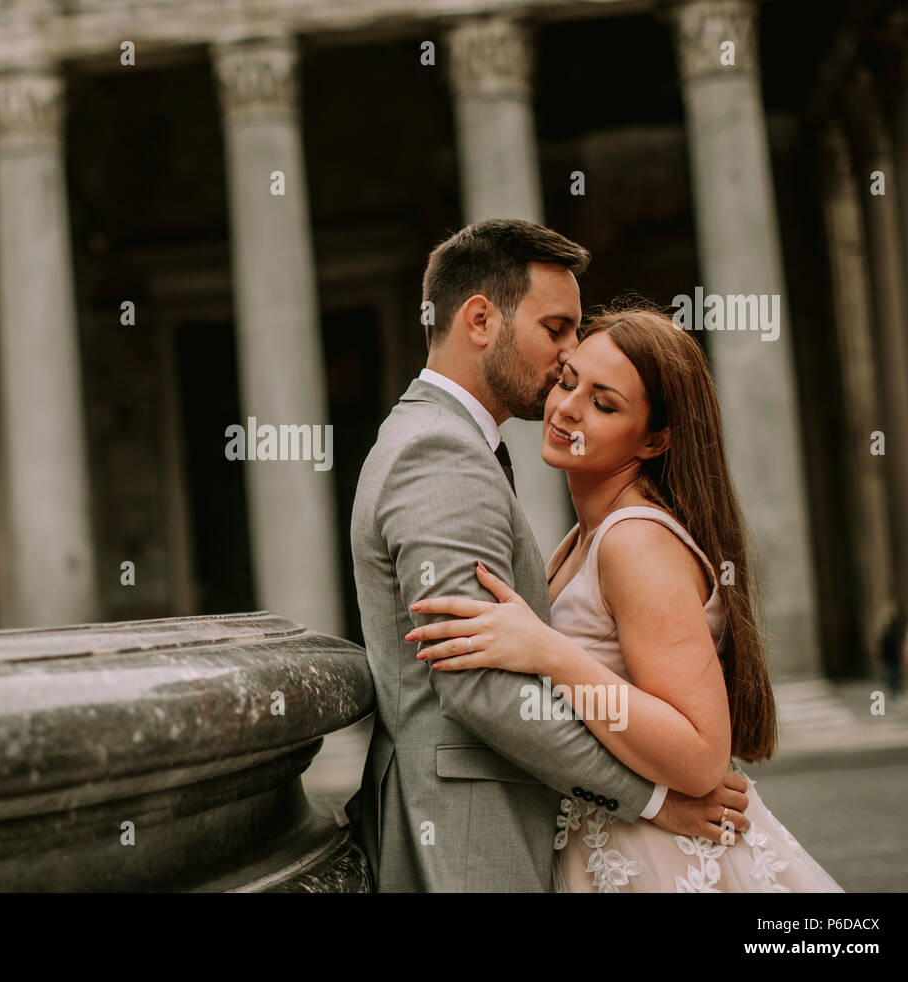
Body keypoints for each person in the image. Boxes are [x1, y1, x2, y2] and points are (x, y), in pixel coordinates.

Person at [344, 221, 752, 893]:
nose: (570, 354)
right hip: (470, 839)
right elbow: (478, 683)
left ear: (653, 440)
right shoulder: (438, 453)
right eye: (558, 329)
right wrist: (653, 800)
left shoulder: (441, 442)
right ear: (480, 320)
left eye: (603, 398)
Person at [410, 305, 843, 892]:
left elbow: (699, 756)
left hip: (663, 860)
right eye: (569, 382)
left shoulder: (634, 540)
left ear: (655, 440)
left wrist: (550, 654)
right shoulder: (584, 537)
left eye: (604, 404)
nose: (566, 409)